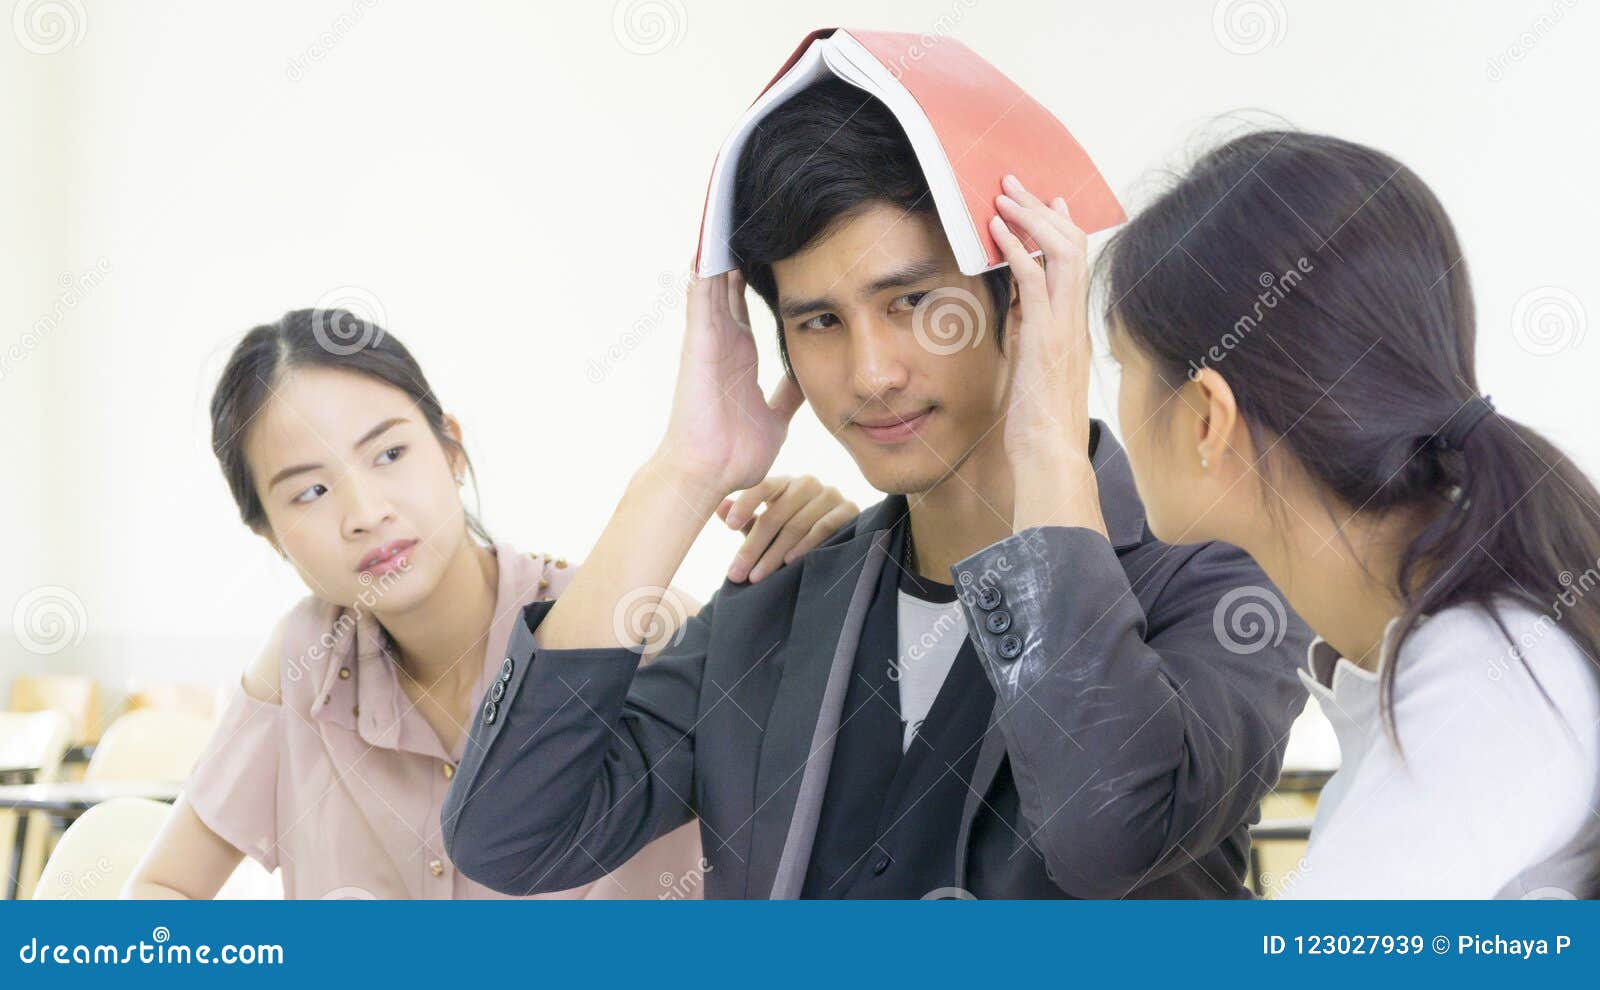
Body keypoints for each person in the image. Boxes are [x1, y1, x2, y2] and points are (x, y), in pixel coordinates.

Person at [442, 80, 1310, 899]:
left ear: (1021, 297)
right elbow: (511, 834)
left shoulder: (1218, 580)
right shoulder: (773, 606)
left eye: (913, 303)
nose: (871, 373)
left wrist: (1050, 445)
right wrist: (683, 472)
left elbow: (1110, 835)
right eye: (819, 322)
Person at [124, 309, 858, 899]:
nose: (365, 510)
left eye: (389, 454)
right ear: (270, 535)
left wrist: (831, 559)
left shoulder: (636, 627)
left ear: (450, 451)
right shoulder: (300, 665)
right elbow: (162, 891)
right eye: (310, 491)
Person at [1096, 129, 1600, 897]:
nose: (1114, 408)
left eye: (1122, 366)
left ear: (1208, 417)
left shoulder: (1487, 675)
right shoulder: (1457, 653)